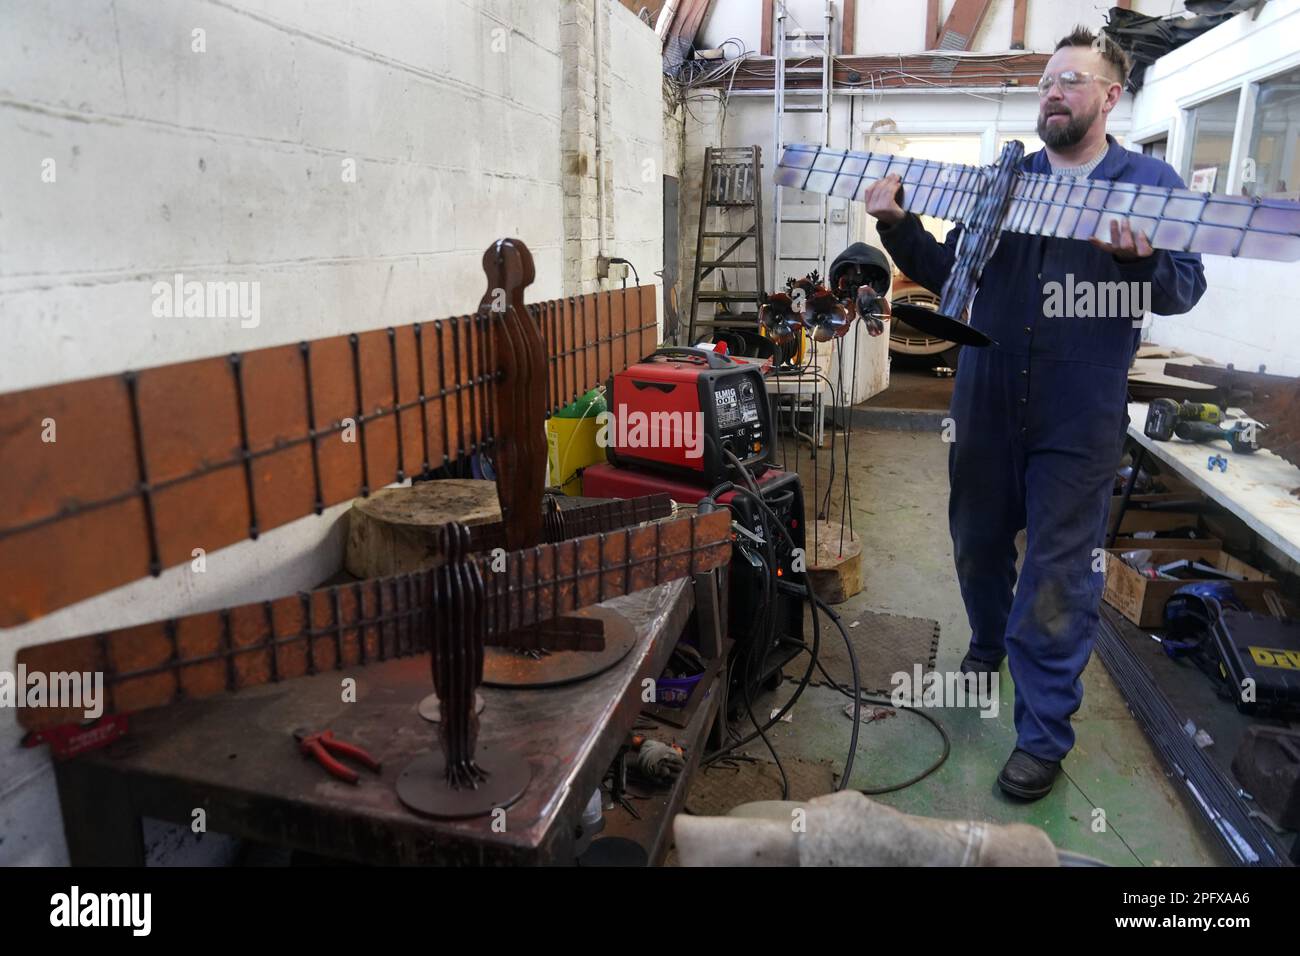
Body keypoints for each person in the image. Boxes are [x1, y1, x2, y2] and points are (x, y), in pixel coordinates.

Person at [864, 27, 1207, 800]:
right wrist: (895, 226)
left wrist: (1139, 262)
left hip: (1077, 409)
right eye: (1046, 81)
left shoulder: (1147, 183)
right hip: (985, 394)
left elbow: (1184, 287)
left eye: (1071, 81)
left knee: (1057, 573)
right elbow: (953, 274)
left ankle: (1043, 735)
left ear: (1110, 95)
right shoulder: (1005, 180)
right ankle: (988, 645)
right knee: (977, 544)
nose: (1052, 92)